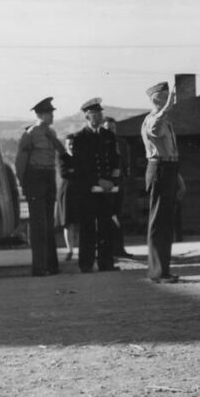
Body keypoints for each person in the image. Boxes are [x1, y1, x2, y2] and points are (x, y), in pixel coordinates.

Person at [15, 97, 64, 276]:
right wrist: (22, 182)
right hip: (35, 177)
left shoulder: (51, 132)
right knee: (39, 224)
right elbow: (21, 160)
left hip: (49, 175)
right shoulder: (31, 133)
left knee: (49, 223)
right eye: (49, 113)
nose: (52, 116)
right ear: (40, 115)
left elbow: (60, 153)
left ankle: (52, 265)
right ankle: (39, 267)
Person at [142, 82, 186, 283]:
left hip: (168, 169)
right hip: (159, 169)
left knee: (166, 223)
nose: (172, 100)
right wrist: (165, 108)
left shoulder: (165, 120)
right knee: (159, 222)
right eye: (167, 96)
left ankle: (163, 270)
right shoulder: (154, 120)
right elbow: (155, 130)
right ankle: (157, 272)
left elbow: (170, 152)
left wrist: (178, 178)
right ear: (157, 99)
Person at [72, 98, 121, 273]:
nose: (99, 116)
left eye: (100, 113)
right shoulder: (79, 138)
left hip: (107, 189)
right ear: (87, 115)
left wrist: (113, 181)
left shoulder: (108, 136)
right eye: (95, 113)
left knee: (106, 226)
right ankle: (86, 264)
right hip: (88, 190)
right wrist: (97, 180)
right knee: (88, 228)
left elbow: (115, 161)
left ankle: (106, 264)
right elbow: (80, 167)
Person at [102, 116, 134, 259]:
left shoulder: (121, 142)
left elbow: (126, 161)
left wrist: (125, 177)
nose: (111, 131)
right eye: (108, 129)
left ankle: (120, 249)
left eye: (113, 128)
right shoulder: (101, 142)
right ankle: (109, 250)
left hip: (120, 183)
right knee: (108, 215)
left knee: (119, 215)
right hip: (107, 184)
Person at [54, 133, 80, 262]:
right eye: (69, 144)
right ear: (65, 145)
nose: (71, 146)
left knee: (80, 223)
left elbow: (83, 171)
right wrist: (76, 171)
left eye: (73, 144)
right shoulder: (62, 157)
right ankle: (70, 250)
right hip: (67, 193)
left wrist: (74, 171)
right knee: (68, 223)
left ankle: (81, 250)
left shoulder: (81, 157)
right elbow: (64, 173)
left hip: (80, 192)